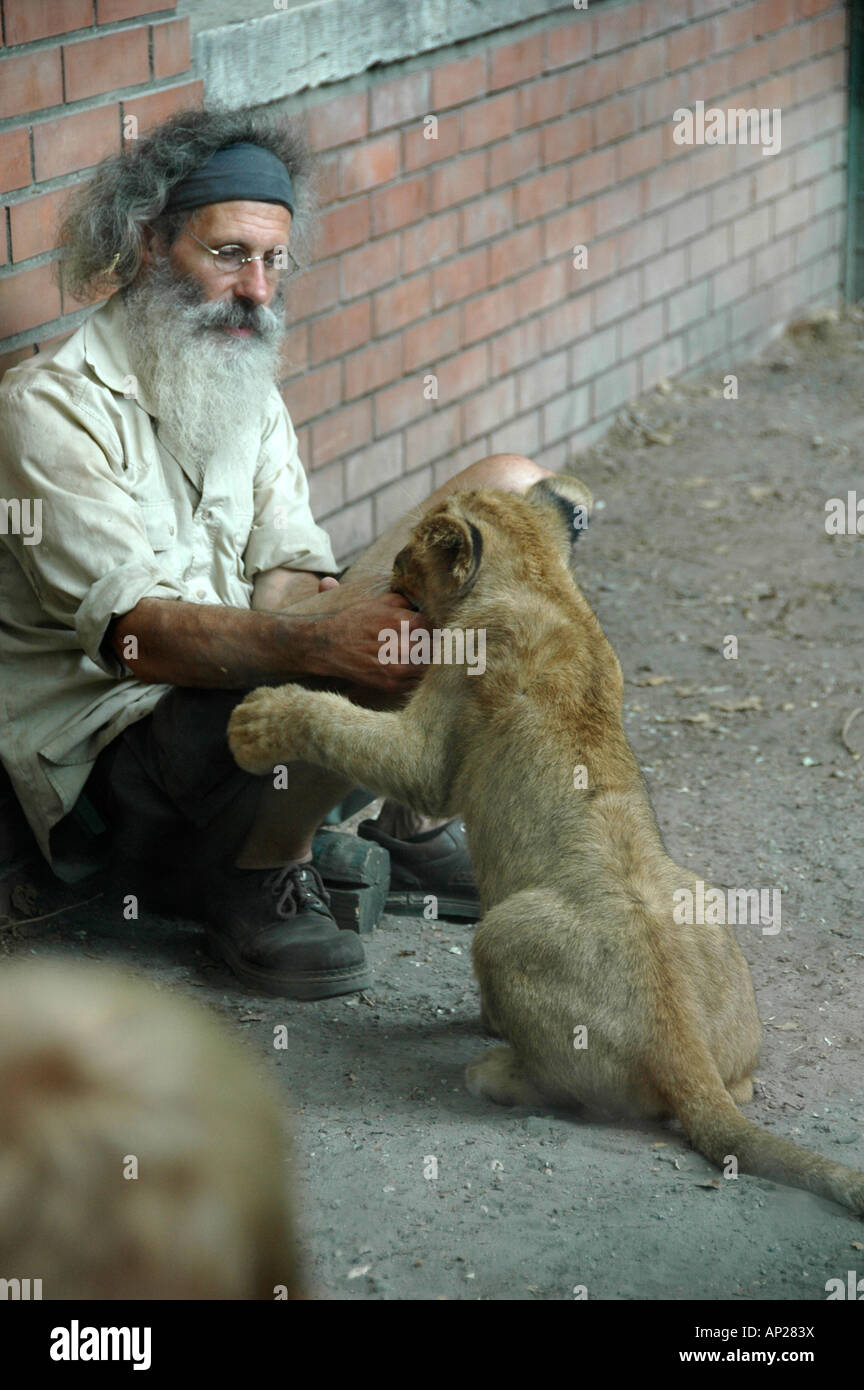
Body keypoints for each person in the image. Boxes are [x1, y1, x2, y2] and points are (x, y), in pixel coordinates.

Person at [0, 107, 549, 999]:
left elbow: (287, 571)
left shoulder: (239, 381)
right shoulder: (47, 408)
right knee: (353, 650)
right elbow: (140, 639)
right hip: (128, 761)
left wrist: (346, 616)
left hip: (245, 701)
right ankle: (255, 879)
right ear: (147, 245)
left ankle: (406, 819)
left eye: (274, 259)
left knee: (512, 496)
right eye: (228, 255)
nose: (257, 288)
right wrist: (324, 645)